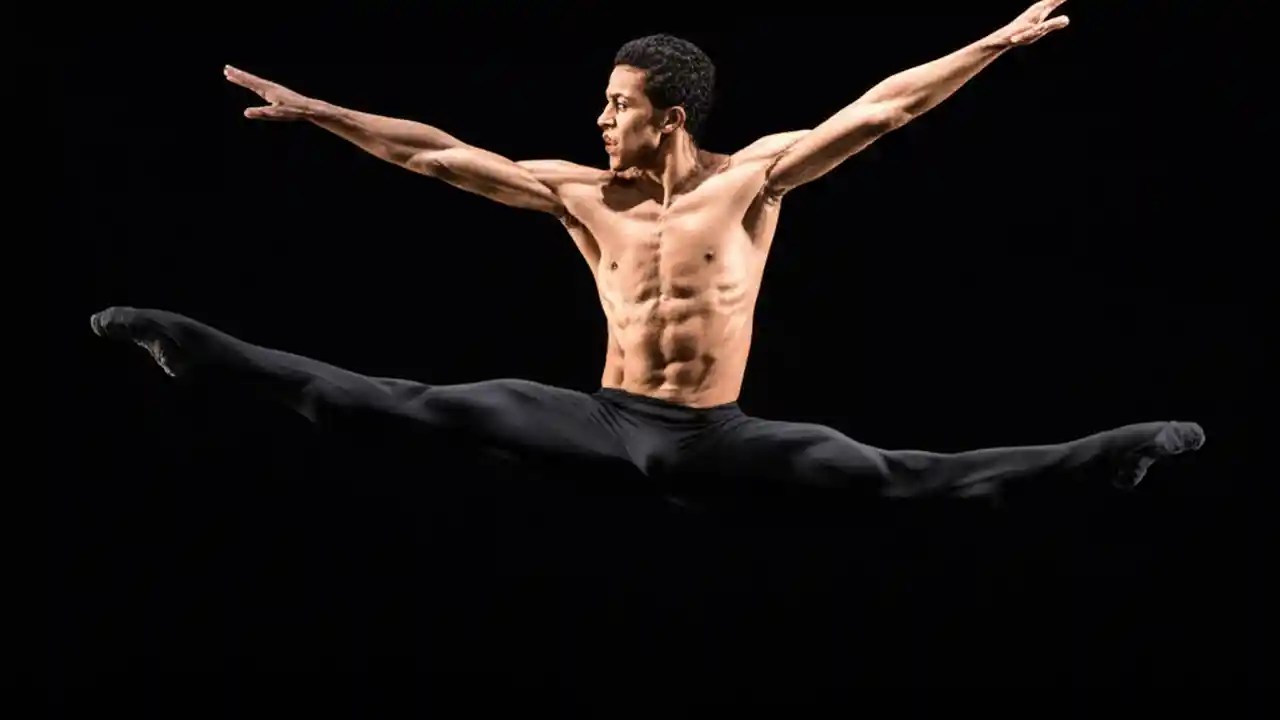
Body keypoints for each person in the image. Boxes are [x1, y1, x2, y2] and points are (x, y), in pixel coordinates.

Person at [91, 1, 1203, 506]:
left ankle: (1108, 450)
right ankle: (192, 347)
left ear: (668, 113)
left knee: (895, 480)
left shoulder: (750, 178)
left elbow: (879, 113)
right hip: (602, 417)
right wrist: (320, 111)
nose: (598, 121)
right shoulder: (582, 195)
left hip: (712, 435)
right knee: (406, 402)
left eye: (617, 106)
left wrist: (991, 45)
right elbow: (435, 155)